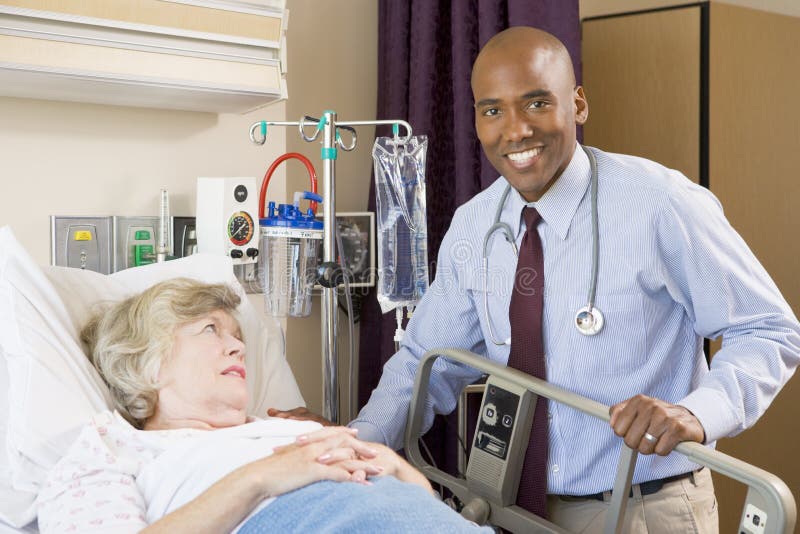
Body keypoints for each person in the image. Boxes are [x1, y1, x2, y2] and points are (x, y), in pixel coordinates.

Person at [270, 26, 800, 532]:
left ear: (578, 104)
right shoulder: (475, 225)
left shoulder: (660, 206)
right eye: (492, 110)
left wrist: (695, 412)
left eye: (537, 103)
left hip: (639, 508)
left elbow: (769, 330)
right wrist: (352, 442)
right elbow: (425, 362)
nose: (516, 130)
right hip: (508, 507)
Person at [37, 278, 492, 533]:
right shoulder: (112, 448)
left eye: (238, 336)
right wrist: (260, 478)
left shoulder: (282, 429)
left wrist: (397, 468)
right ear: (147, 361)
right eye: (211, 330)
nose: (238, 347)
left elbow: (421, 510)